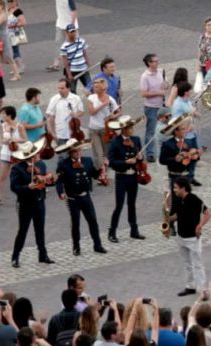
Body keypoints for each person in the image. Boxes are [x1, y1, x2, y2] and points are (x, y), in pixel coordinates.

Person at [54, 138, 107, 256]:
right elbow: (59, 181)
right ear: (70, 153)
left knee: (93, 221)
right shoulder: (64, 164)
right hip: (73, 198)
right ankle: (76, 246)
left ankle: (97, 244)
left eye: (79, 151)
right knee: (75, 223)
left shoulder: (87, 161)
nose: (78, 153)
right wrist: (60, 192)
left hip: (86, 196)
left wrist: (101, 170)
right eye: (75, 151)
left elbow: (94, 174)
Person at [9, 137, 55, 267]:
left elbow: (46, 180)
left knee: (40, 230)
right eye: (35, 154)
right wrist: (27, 187)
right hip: (25, 204)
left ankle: (43, 254)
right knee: (23, 230)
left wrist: (49, 179)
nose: (38, 156)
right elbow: (14, 187)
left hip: (39, 201)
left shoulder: (40, 165)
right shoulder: (17, 168)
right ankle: (15, 256)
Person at [168, 177, 211, 297]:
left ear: (183, 188)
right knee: (187, 263)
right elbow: (177, 215)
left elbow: (208, 214)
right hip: (180, 236)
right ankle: (190, 286)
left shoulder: (194, 199)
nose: (174, 190)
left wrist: (200, 226)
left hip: (192, 238)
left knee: (197, 263)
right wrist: (168, 218)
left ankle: (202, 289)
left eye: (176, 187)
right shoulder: (177, 199)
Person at [106, 115, 146, 243]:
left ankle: (134, 230)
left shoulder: (136, 139)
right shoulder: (115, 142)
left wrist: (140, 157)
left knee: (132, 204)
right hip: (121, 177)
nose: (132, 130)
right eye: (130, 128)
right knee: (119, 205)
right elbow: (111, 162)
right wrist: (125, 162)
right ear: (123, 129)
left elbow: (140, 158)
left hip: (133, 176)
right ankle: (112, 231)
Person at [86, 77, 120, 171]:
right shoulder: (91, 98)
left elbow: (119, 111)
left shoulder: (111, 100)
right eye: (94, 86)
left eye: (96, 87)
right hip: (93, 129)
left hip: (106, 130)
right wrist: (103, 105)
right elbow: (92, 112)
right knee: (98, 153)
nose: (94, 88)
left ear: (103, 88)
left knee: (106, 153)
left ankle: (104, 171)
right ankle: (101, 172)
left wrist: (112, 116)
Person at [140, 53, 167, 163]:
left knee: (164, 129)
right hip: (151, 107)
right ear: (149, 63)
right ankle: (150, 153)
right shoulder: (145, 76)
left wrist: (166, 85)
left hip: (162, 106)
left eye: (157, 61)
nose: (157, 63)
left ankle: (163, 150)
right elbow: (143, 93)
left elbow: (166, 84)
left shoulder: (161, 72)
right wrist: (158, 92)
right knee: (151, 131)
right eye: (155, 61)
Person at [45, 78, 84, 150]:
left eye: (62, 88)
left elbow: (81, 111)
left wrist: (75, 115)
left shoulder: (76, 98)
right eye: (59, 88)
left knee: (76, 153)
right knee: (63, 156)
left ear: (68, 88)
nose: (59, 90)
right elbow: (51, 117)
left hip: (74, 132)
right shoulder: (54, 99)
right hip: (61, 133)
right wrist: (53, 133)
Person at [59, 24, 90, 94]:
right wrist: (69, 74)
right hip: (73, 71)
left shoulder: (81, 41)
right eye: (71, 32)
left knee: (90, 88)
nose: (73, 33)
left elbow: (85, 53)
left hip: (83, 69)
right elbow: (65, 62)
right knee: (72, 91)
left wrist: (88, 64)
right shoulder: (64, 46)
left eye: (74, 31)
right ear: (67, 33)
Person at [46, 0, 76, 71]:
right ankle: (56, 64)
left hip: (69, 24)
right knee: (58, 42)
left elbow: (74, 11)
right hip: (60, 23)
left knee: (71, 44)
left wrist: (72, 24)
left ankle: (74, 61)